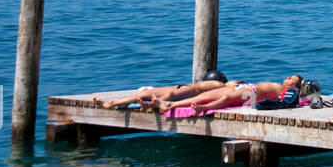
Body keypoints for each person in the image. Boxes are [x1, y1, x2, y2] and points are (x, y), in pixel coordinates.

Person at [153, 74, 307, 114]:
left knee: (225, 99)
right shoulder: (281, 86)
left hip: (251, 93)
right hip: (244, 88)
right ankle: (169, 104)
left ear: (296, 85)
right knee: (202, 96)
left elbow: (286, 101)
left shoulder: (289, 91)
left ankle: (204, 108)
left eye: (292, 78)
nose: (288, 77)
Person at [94, 70, 231, 109]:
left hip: (184, 88)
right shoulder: (223, 86)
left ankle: (113, 103)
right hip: (187, 89)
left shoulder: (216, 86)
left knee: (149, 93)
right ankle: (111, 103)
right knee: (146, 93)